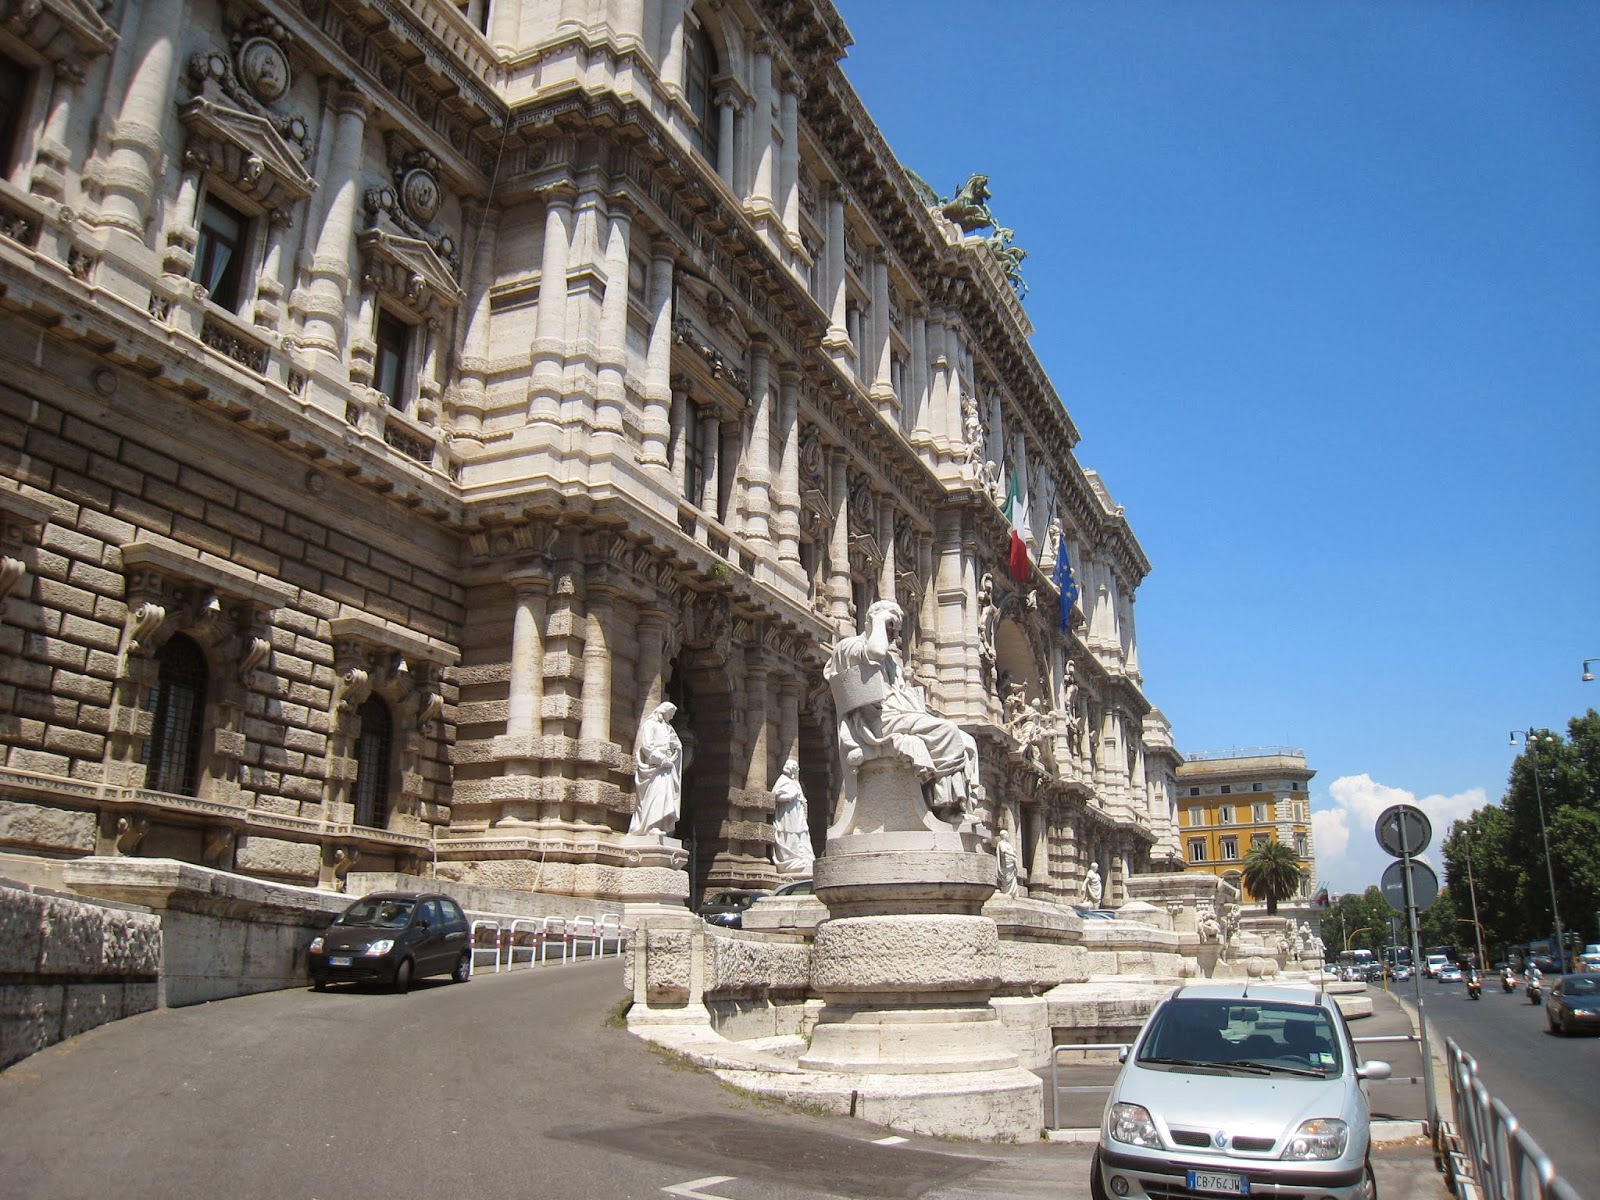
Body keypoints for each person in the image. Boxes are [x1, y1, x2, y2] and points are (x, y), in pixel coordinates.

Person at [629, 702, 684, 836]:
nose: (671, 718)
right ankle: (651, 826)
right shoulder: (650, 724)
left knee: (666, 796)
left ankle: (659, 825)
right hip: (655, 767)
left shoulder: (669, 727)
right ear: (664, 711)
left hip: (666, 768)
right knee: (656, 795)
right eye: (670, 714)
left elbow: (678, 746)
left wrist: (675, 748)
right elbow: (647, 746)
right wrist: (661, 759)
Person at [771, 759, 814, 875]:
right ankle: (791, 858)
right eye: (793, 766)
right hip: (786, 814)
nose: (795, 768)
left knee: (802, 834)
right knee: (789, 834)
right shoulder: (782, 780)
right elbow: (776, 796)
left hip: (797, 813)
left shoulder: (796, 782)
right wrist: (789, 796)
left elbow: (801, 798)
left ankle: (803, 857)